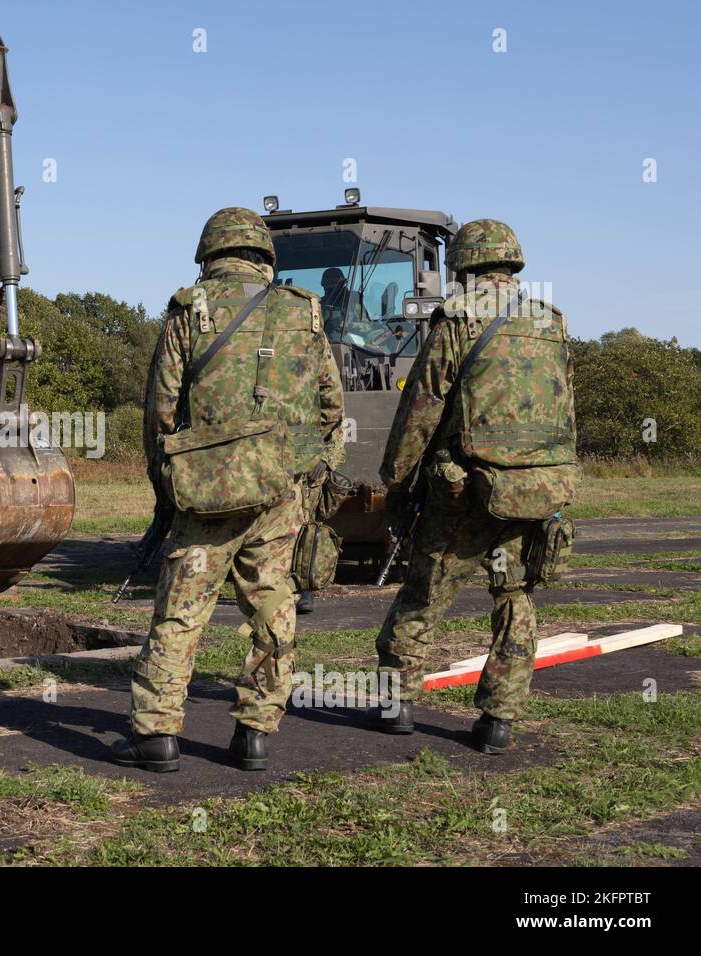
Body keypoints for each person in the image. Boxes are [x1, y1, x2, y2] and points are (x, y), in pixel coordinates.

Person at [112, 207, 345, 772]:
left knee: (181, 611)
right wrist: (306, 480)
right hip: (280, 494)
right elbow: (332, 411)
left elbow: (159, 415)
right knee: (273, 606)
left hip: (205, 492)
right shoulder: (305, 312)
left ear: (208, 256)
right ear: (265, 256)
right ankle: (255, 733)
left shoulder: (188, 312)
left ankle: (157, 735)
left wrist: (169, 488)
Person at [367, 219, 578, 753]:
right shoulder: (549, 321)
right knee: (514, 598)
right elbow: (566, 409)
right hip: (529, 492)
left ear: (464, 264)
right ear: (511, 262)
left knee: (424, 594)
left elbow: (423, 405)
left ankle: (398, 705)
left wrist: (396, 478)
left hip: (462, 492)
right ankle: (498, 720)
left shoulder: (459, 318)